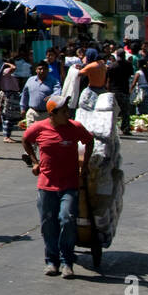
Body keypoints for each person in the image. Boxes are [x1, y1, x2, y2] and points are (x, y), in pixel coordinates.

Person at [22, 95, 95, 278]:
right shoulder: (40, 128)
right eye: (63, 111)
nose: (67, 113)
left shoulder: (75, 127)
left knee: (67, 219)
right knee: (48, 224)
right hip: (46, 185)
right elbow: (25, 140)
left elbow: (89, 141)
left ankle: (67, 262)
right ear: (52, 114)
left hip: (69, 184)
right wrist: (34, 162)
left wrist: (84, 165)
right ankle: (51, 261)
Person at [20, 61, 58, 127]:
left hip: (47, 114)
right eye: (40, 69)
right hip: (32, 113)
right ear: (36, 70)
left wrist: (52, 97)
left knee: (46, 135)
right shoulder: (30, 80)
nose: (42, 71)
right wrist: (23, 108)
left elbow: (58, 92)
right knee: (32, 136)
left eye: (44, 69)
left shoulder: (54, 81)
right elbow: (25, 95)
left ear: (48, 70)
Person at [107, 50, 134, 136]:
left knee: (112, 111)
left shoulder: (112, 66)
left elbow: (108, 79)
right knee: (125, 111)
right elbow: (130, 76)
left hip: (113, 90)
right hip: (124, 90)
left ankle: (110, 129)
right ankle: (125, 128)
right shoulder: (128, 65)